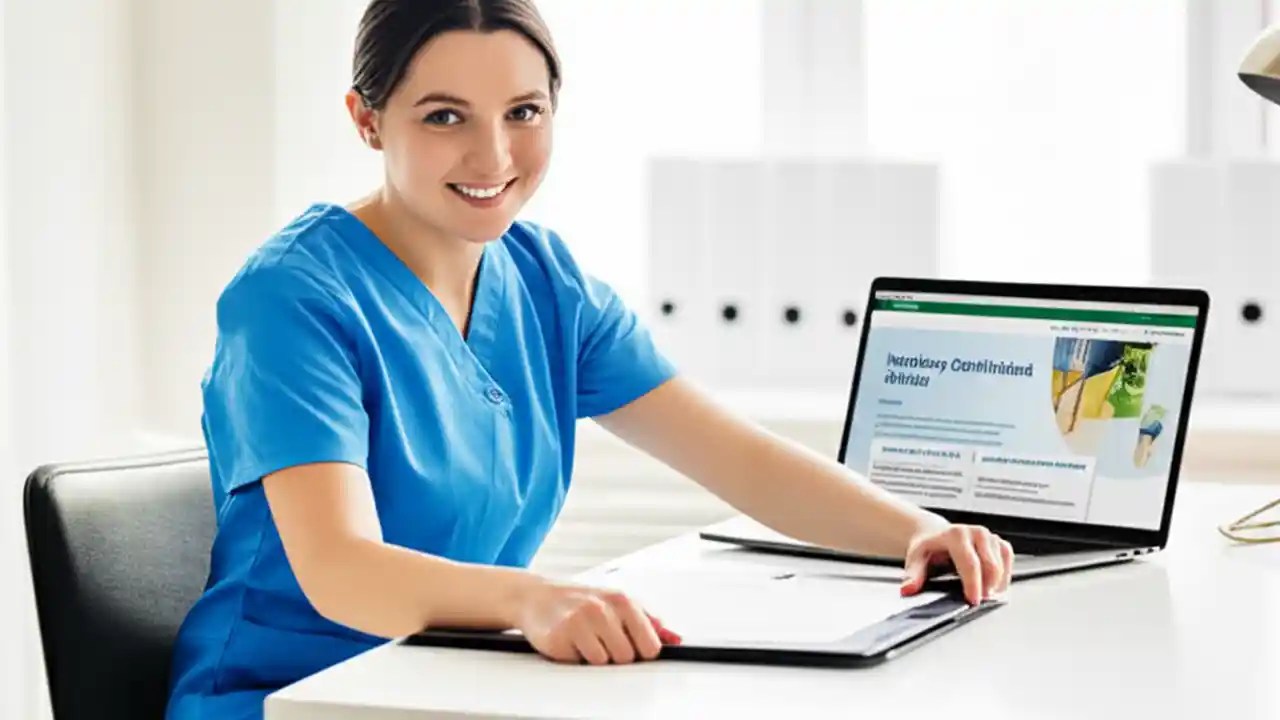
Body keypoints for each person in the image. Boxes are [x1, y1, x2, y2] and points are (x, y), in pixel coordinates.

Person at [165, 1, 1014, 717]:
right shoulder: (291, 298)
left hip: (450, 683)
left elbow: (737, 458)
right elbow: (341, 571)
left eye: (524, 114)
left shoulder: (546, 281)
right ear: (366, 118)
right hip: (289, 698)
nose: (493, 156)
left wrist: (920, 532)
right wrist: (533, 600)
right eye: (444, 116)